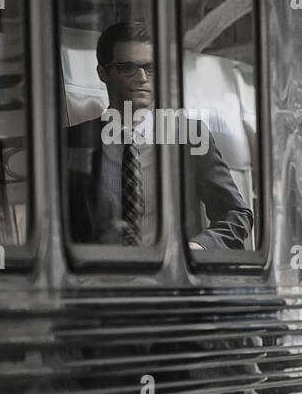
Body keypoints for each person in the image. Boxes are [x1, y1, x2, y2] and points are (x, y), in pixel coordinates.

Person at [64, 21, 253, 250]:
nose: (142, 77)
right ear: (102, 73)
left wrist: (199, 247)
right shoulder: (72, 141)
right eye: (127, 67)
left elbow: (236, 214)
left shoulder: (189, 135)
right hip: (99, 279)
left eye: (150, 68)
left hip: (171, 279)